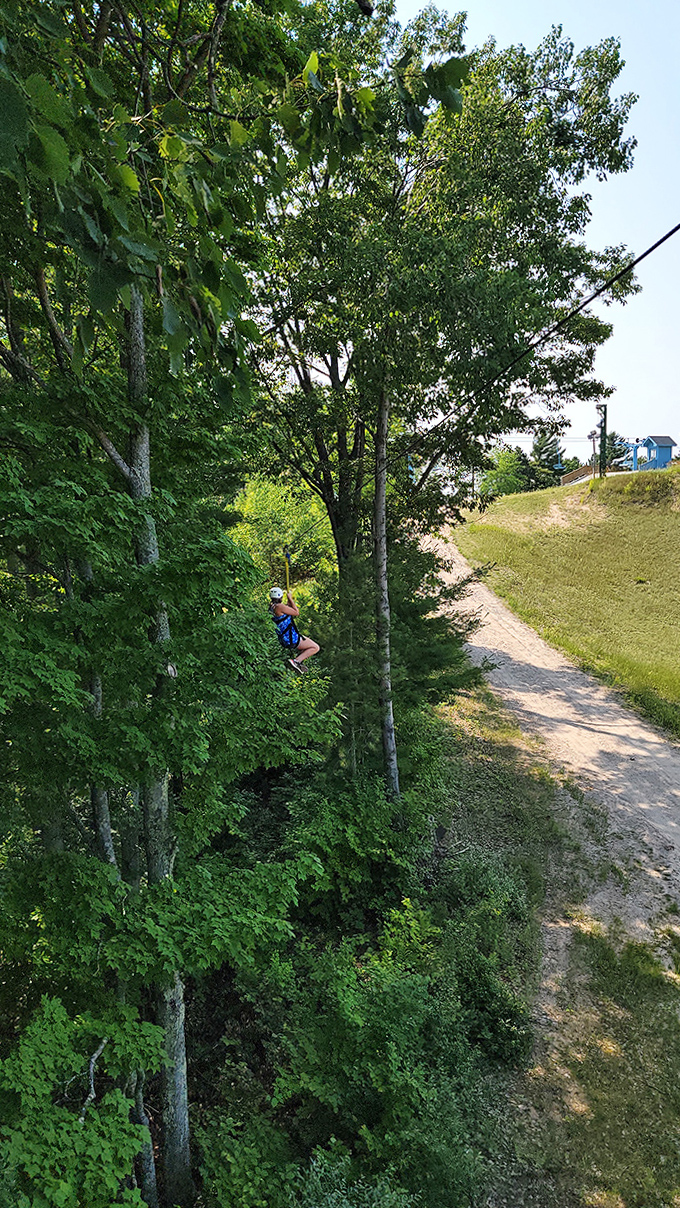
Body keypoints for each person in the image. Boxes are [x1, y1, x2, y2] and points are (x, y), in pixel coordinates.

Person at [269, 586, 320, 674]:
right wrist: (290, 599)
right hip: (291, 638)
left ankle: (298, 661)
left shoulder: (272, 607)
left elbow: (286, 613)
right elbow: (296, 612)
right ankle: (296, 661)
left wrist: (289, 604)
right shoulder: (280, 606)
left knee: (307, 647)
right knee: (315, 647)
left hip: (284, 638)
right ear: (280, 596)